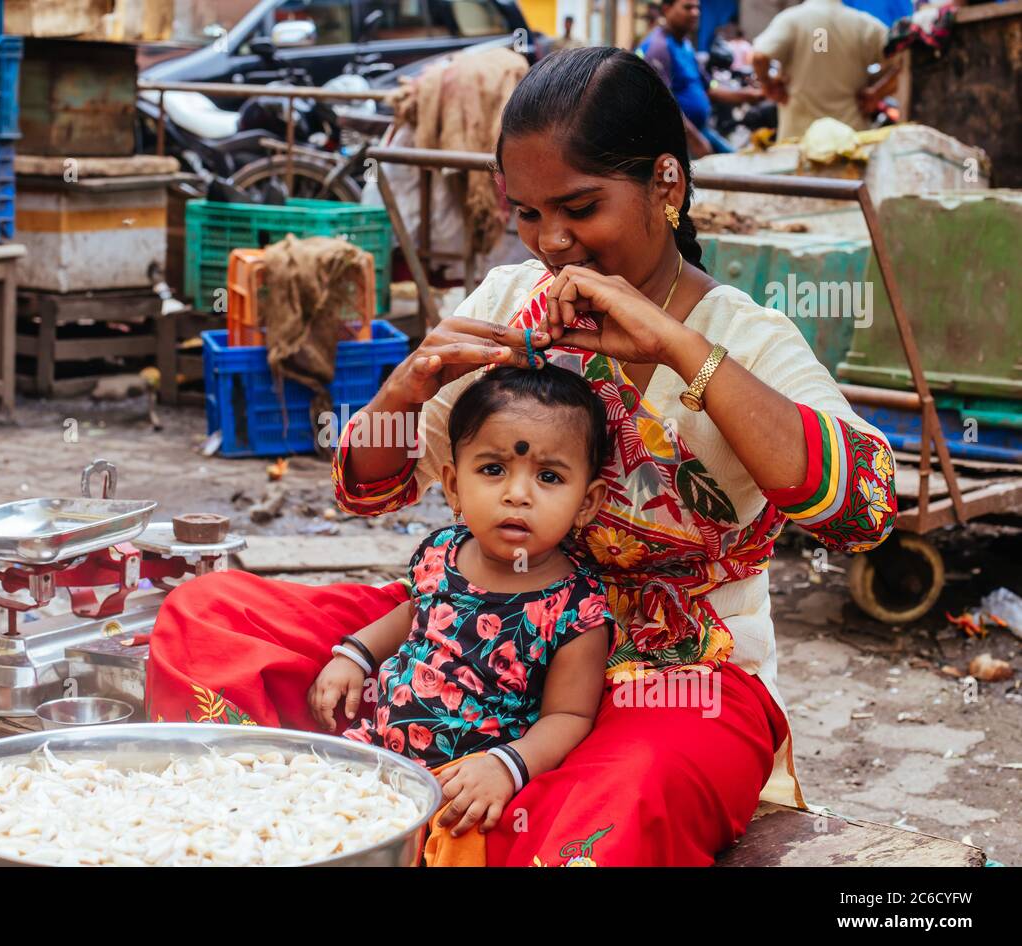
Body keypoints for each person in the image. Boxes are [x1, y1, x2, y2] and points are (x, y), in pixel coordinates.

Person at [145, 46, 898, 866]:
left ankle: (423, 807)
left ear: (666, 186)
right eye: (529, 214)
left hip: (664, 680)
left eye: (579, 207)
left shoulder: (744, 336)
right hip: (467, 631)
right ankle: (404, 806)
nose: (553, 244)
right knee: (207, 619)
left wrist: (684, 352)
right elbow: (373, 487)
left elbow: (863, 510)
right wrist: (404, 387)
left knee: (617, 808)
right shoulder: (509, 303)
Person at [309, 364, 614, 849]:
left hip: (468, 787)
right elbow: (415, 614)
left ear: (587, 502)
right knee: (305, 813)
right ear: (452, 484)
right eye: (493, 470)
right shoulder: (442, 551)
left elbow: (570, 717)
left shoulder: (577, 608)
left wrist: (506, 767)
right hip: (377, 754)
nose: (517, 494)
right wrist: (355, 655)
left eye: (550, 476)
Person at [751, 0, 894, 139]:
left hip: (800, 136)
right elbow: (903, 58)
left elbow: (758, 57)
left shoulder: (792, 19)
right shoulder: (863, 24)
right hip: (850, 136)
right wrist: (878, 93)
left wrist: (767, 84)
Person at [639, 0, 763, 154]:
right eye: (687, 7)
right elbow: (660, 104)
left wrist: (747, 95)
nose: (695, 12)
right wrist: (694, 140)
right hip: (678, 137)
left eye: (697, 7)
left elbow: (708, 89)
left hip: (701, 129)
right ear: (667, 9)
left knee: (736, 161)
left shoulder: (685, 44)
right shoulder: (658, 48)